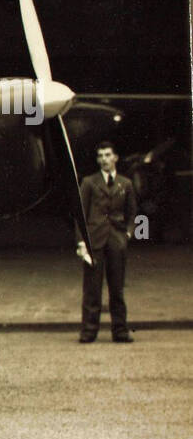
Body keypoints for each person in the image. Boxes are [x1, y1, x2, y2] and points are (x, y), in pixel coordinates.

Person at [76, 141, 137, 343]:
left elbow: (133, 213)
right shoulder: (89, 182)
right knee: (92, 289)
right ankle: (88, 331)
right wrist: (81, 243)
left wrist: (127, 234)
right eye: (100, 155)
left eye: (108, 155)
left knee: (117, 289)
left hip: (116, 240)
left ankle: (120, 331)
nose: (104, 159)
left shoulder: (125, 183)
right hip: (94, 241)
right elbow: (80, 215)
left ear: (115, 158)